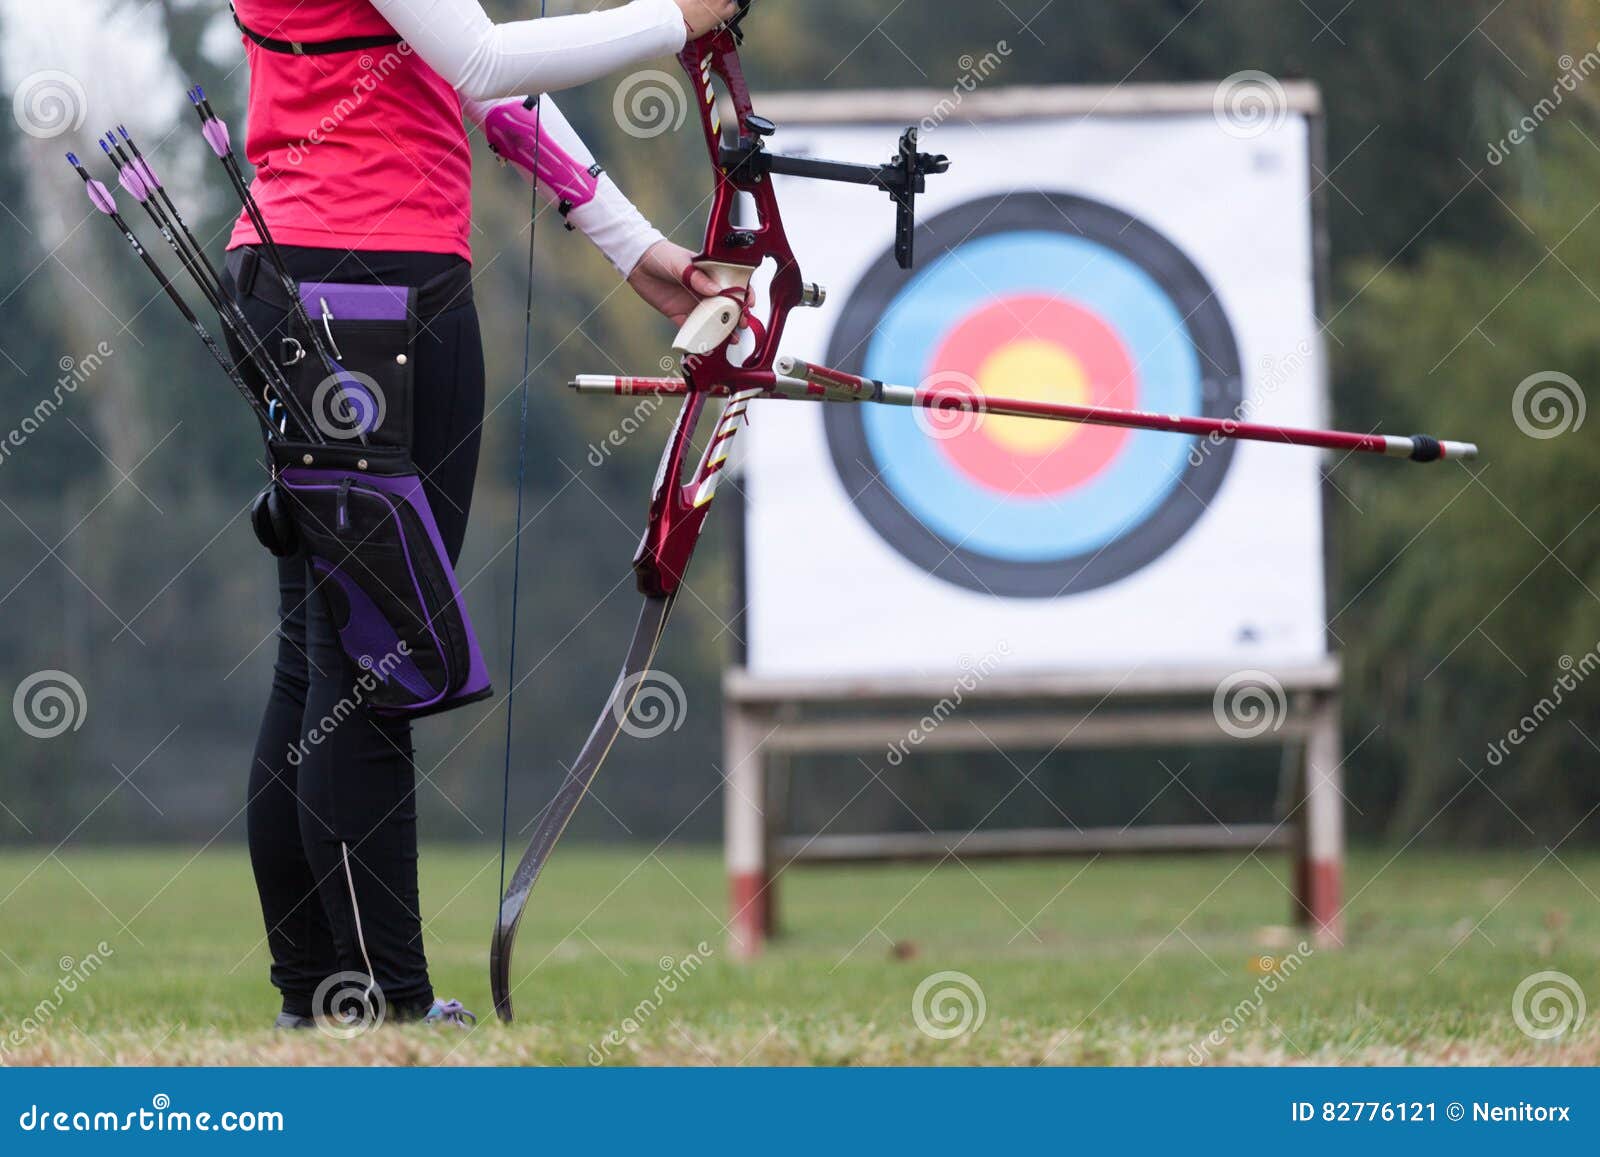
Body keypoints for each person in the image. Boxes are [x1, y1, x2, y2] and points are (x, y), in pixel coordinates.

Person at [223, 0, 739, 1030]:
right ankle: (385, 1006)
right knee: (373, 658)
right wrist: (680, 18)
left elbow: (462, 74)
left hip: (297, 274)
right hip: (379, 288)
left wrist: (629, 242)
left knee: (320, 657)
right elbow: (485, 59)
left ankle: (321, 1000)